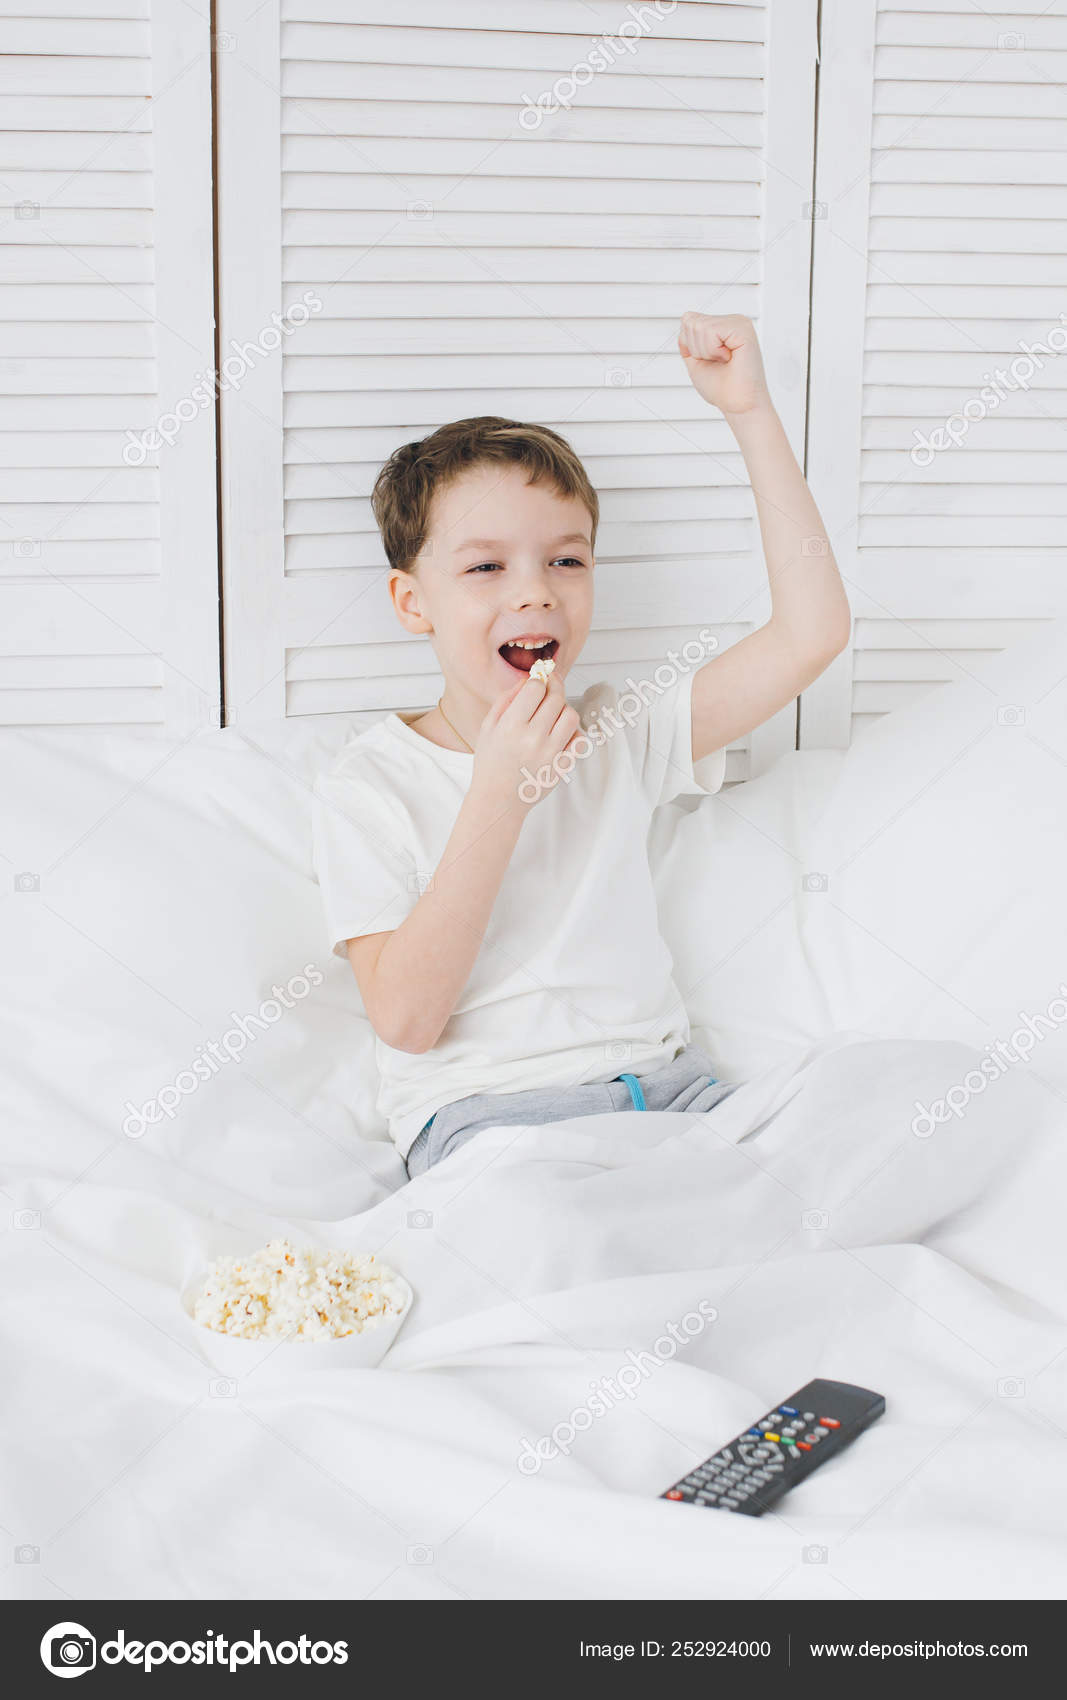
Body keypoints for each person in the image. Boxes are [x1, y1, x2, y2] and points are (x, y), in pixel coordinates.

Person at [312, 313, 850, 1177]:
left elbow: (812, 632)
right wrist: (499, 792)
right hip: (492, 1124)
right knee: (568, 1250)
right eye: (486, 568)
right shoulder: (371, 783)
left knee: (891, 1115)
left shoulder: (616, 732)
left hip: (673, 1100)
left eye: (566, 561)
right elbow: (407, 1021)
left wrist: (748, 414)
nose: (535, 594)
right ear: (413, 603)